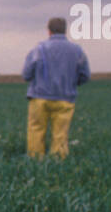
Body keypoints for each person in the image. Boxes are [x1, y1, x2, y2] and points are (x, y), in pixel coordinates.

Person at [22, 17, 91, 158]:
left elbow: (27, 74)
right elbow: (85, 75)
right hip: (65, 98)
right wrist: (72, 83)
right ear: (65, 30)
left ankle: (36, 160)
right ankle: (58, 161)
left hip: (39, 98)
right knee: (60, 133)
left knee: (36, 130)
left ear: (49, 31)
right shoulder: (77, 51)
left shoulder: (38, 49)